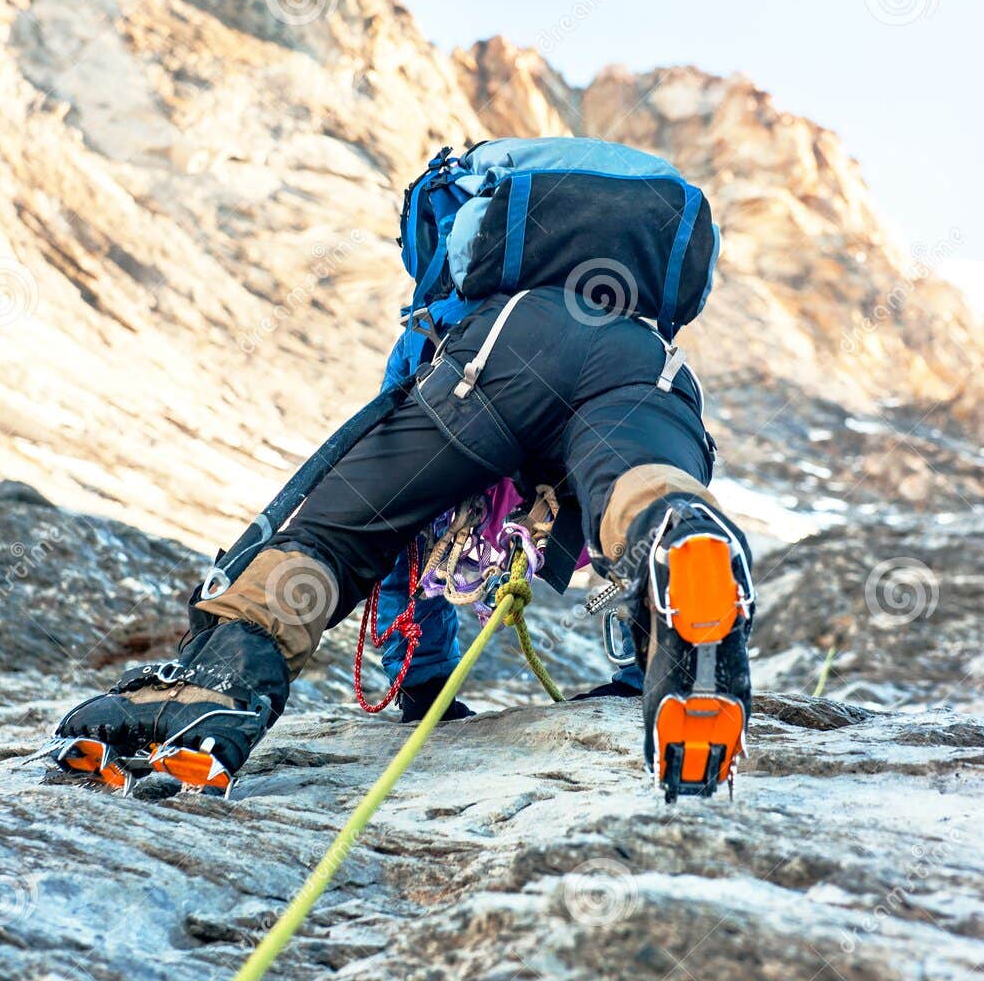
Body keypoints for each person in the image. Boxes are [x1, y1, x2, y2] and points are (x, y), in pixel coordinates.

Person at [53, 137, 754, 802]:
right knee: (643, 496)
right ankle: (679, 547)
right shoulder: (642, 321)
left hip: (502, 348)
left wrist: (425, 689)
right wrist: (629, 681)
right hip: (647, 369)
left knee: (340, 535)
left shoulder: (445, 314)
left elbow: (398, 529)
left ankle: (214, 690)